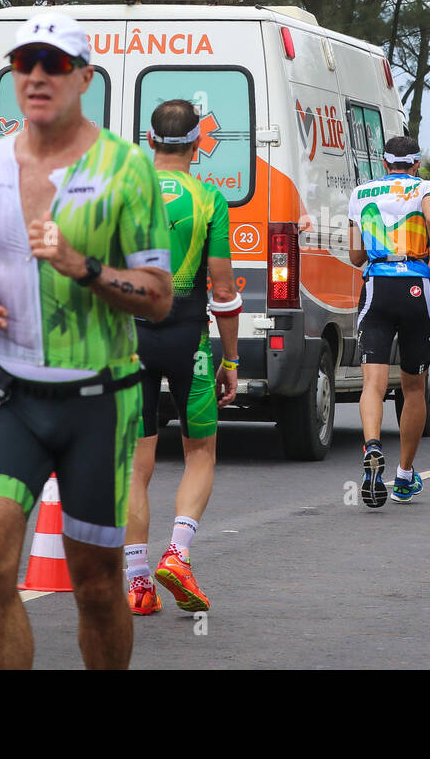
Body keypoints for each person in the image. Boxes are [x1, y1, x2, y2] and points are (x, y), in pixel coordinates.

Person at [0, 13, 173, 668]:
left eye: (54, 63)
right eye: (25, 63)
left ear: (84, 78)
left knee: (97, 585)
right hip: (10, 394)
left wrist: (84, 267)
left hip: (98, 402)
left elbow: (159, 296)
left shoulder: (127, 168)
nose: (38, 76)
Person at [124, 99, 241, 616]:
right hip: (187, 337)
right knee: (200, 452)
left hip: (128, 337)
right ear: (197, 144)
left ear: (150, 140)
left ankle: (137, 582)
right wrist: (230, 360)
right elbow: (224, 290)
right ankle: (177, 553)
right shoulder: (209, 197)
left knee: (135, 464)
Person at [347, 135, 430, 507]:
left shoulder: (361, 193)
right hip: (414, 287)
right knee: (413, 387)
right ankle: (404, 475)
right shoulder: (425, 187)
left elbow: (355, 256)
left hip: (376, 286)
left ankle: (372, 446)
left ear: (384, 161)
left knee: (372, 384)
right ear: (417, 163)